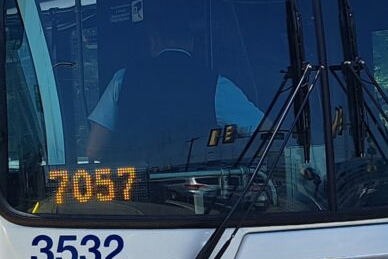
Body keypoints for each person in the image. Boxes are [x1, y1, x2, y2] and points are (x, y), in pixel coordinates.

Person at [85, 15, 264, 163]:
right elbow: (265, 133)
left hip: (136, 191)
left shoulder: (122, 79)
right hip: (195, 190)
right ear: (191, 43)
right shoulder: (216, 84)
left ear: (154, 40)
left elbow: (94, 150)